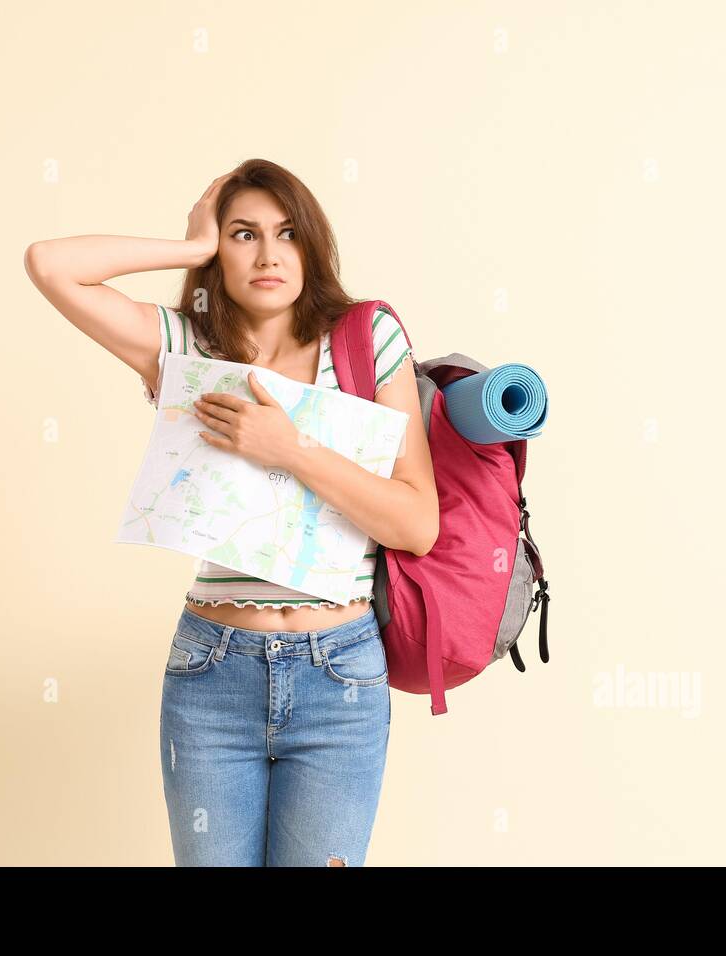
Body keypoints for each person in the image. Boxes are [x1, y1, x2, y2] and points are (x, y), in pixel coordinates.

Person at [23, 159, 439, 865]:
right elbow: (49, 264)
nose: (269, 253)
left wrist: (289, 448)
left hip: (338, 675)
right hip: (212, 674)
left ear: (312, 247)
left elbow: (416, 523)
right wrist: (187, 248)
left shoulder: (367, 340)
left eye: (286, 234)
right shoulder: (186, 348)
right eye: (243, 234)